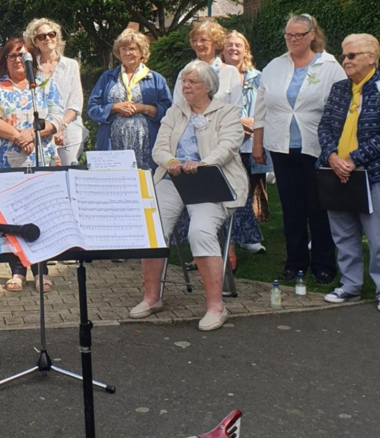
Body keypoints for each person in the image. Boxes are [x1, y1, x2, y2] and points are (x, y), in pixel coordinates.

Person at [129, 61, 247, 331]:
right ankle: (151, 298)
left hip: (211, 180)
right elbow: (158, 148)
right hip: (175, 178)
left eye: (192, 82)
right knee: (152, 228)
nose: (185, 86)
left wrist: (201, 164)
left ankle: (216, 307)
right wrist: (170, 161)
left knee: (200, 232)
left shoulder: (228, 112)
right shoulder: (174, 111)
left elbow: (227, 148)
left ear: (208, 87)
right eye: (184, 81)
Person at [253, 14, 346, 284]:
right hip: (281, 147)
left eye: (298, 35)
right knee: (292, 209)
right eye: (288, 35)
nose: (292, 40)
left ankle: (323, 264)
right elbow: (260, 108)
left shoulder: (330, 66)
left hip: (317, 148)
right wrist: (258, 143)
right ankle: (295, 263)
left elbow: (340, 108)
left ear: (312, 35)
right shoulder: (274, 66)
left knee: (318, 208)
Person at [317, 34, 380, 312]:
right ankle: (350, 284)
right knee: (343, 233)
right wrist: (332, 157)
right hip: (338, 173)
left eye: (351, 55)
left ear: (371, 57)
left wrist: (354, 159)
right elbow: (324, 127)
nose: (345, 60)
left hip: (376, 174)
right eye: (344, 55)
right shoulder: (339, 89)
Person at [0, 37, 65, 292]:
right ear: (4, 59)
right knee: (11, 214)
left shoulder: (44, 84)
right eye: (12, 55)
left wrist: (33, 133)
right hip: (5, 159)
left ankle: (41, 269)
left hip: (40, 157)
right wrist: (18, 135)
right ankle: (17, 270)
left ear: (32, 58)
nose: (18, 60)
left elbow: (57, 117)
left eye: (23, 55)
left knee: (40, 212)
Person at [88, 28, 172, 168]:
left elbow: (168, 111)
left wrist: (143, 108)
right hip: (113, 145)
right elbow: (92, 108)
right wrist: (114, 107)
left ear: (141, 52)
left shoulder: (156, 79)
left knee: (146, 185)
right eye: (123, 49)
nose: (127, 53)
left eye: (132, 49)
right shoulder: (107, 77)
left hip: (146, 145)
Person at [220, 31, 267, 260]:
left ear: (246, 50)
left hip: (252, 141)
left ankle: (248, 236)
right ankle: (231, 239)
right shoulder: (216, 76)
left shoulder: (258, 77)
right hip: (226, 141)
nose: (233, 49)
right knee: (230, 190)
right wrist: (237, 122)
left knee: (248, 190)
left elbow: (268, 106)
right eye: (229, 45)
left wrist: (254, 125)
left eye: (238, 45)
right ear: (223, 50)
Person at [25, 18, 87, 166]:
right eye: (41, 36)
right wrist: (47, 129)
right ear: (35, 41)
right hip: (40, 132)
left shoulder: (71, 65)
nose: (47, 38)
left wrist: (60, 126)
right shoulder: (30, 67)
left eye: (51, 34)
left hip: (69, 131)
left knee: (69, 173)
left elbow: (75, 102)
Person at [173, 20, 242, 108]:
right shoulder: (184, 74)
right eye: (195, 40)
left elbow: (237, 109)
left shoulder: (230, 72)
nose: (198, 44)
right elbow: (176, 107)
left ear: (216, 43)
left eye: (203, 40)